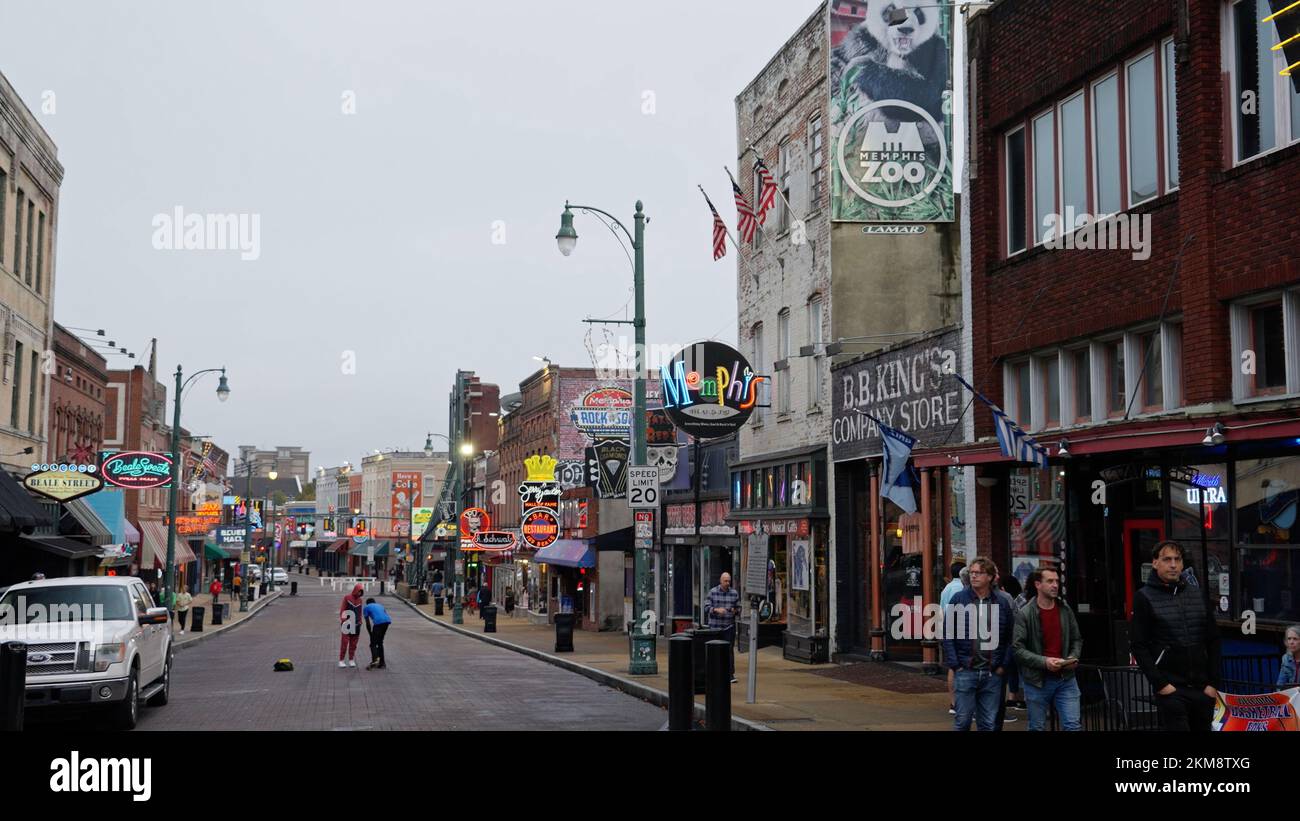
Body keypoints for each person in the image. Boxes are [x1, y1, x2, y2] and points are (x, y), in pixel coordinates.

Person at [1130, 540, 1221, 732]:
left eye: (1177, 560)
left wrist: (1213, 684)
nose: (1173, 565)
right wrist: (1162, 684)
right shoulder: (1144, 597)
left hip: (1202, 688)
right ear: (1155, 563)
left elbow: (1213, 640)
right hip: (1172, 689)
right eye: (1167, 559)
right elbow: (1139, 645)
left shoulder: (1197, 594)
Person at [942, 557, 1014, 731]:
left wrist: (1002, 666)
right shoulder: (959, 599)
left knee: (988, 723)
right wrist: (955, 664)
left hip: (992, 673)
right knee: (963, 721)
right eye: (972, 572)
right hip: (966, 669)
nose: (973, 576)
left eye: (978, 573)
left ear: (990, 577)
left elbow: (1010, 638)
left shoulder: (1001, 602)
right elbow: (947, 634)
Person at [1012, 565, 1083, 730]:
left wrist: (1072, 657)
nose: (1055, 585)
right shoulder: (1026, 613)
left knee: (1073, 725)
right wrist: (1044, 662)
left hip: (1066, 678)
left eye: (1057, 581)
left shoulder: (1065, 610)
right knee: (1037, 727)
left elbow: (1077, 639)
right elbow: (1017, 649)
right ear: (1038, 584)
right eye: (1050, 581)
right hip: (1037, 681)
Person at [939, 563, 968, 715]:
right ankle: (959, 703)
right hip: (960, 630)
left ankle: (953, 702)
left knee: (952, 666)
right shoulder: (960, 589)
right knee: (958, 667)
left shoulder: (946, 589)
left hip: (949, 629)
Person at [705, 572, 742, 683]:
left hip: (728, 627)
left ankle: (730, 675)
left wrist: (734, 611)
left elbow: (739, 608)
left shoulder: (734, 593)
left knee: (729, 651)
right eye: (725, 581)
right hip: (715, 627)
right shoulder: (712, 592)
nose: (727, 583)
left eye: (729, 581)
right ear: (720, 581)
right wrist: (716, 610)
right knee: (715, 651)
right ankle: (714, 674)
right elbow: (706, 607)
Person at [339, 583, 365, 668]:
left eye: (361, 592)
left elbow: (360, 612)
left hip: (356, 624)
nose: (359, 593)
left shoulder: (360, 600)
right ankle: (341, 660)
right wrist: (343, 620)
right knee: (344, 642)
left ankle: (351, 659)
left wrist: (360, 621)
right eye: (359, 591)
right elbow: (343, 609)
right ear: (356, 590)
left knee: (354, 644)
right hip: (347, 623)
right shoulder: (347, 597)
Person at [363, 597, 393, 669]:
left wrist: (370, 633)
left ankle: (375, 660)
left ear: (367, 603)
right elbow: (384, 614)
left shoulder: (366, 607)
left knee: (373, 644)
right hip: (387, 622)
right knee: (380, 642)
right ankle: (382, 663)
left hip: (378, 623)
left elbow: (367, 622)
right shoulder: (380, 605)